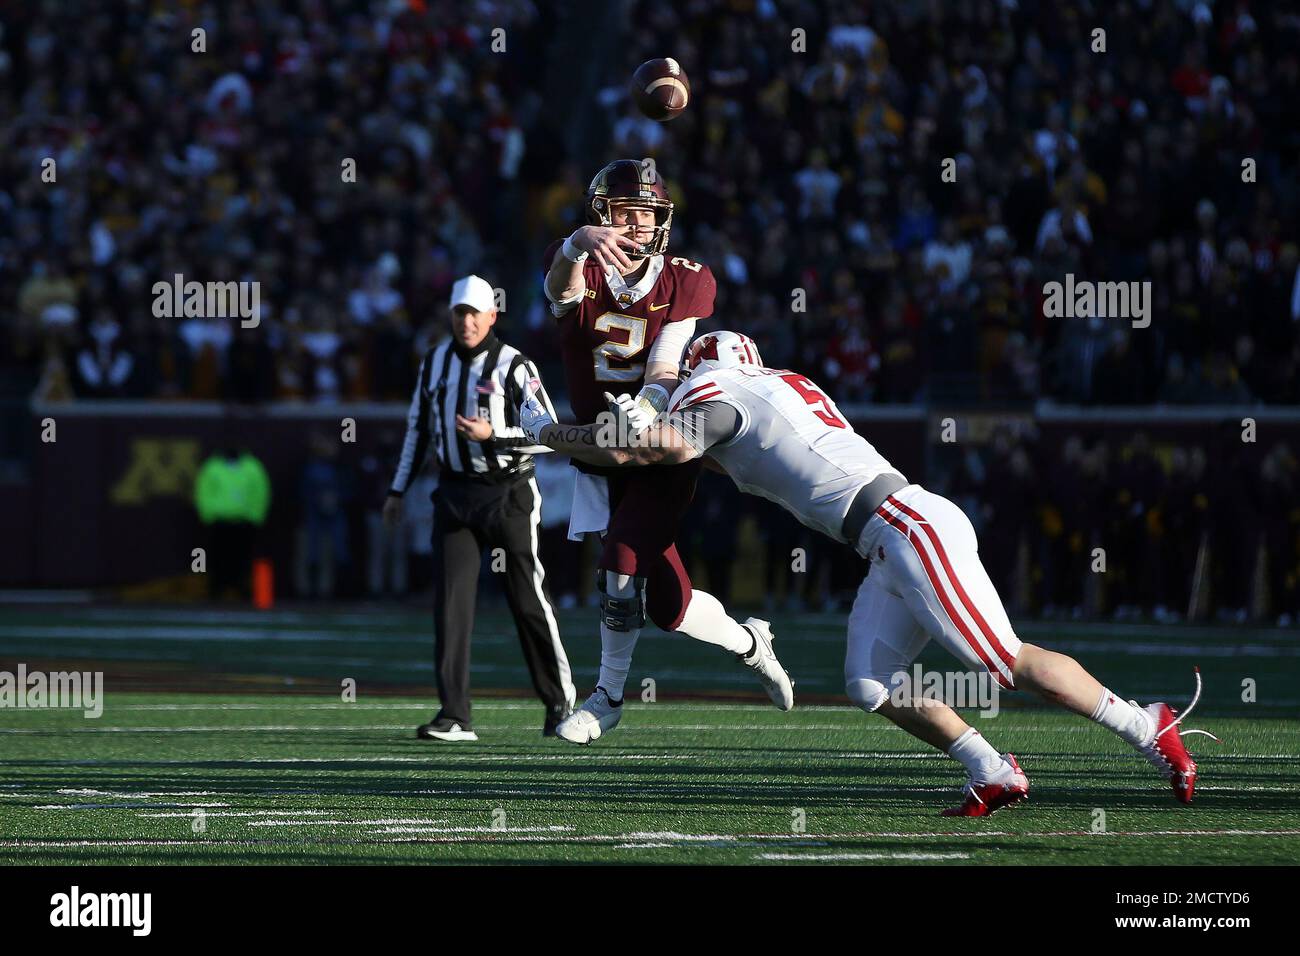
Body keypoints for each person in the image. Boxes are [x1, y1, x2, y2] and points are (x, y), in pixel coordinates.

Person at [521, 330, 1213, 814]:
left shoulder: (716, 387)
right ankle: (992, 770)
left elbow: (658, 448)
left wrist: (574, 431)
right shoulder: (776, 384)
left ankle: (1145, 725)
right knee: (869, 682)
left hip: (906, 529)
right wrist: (581, 434)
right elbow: (653, 450)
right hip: (888, 539)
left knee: (1005, 659)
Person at [540, 159, 792, 744]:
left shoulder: (687, 277)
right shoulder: (573, 258)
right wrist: (577, 245)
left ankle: (606, 697)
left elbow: (664, 364)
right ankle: (752, 642)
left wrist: (652, 404)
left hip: (660, 442)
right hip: (601, 444)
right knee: (670, 606)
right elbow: (559, 295)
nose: (637, 224)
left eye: (648, 213)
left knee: (622, 561)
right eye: (626, 212)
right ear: (601, 213)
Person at [385, 274, 575, 742]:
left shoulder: (515, 366)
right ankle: (454, 715)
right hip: (454, 495)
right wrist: (396, 490)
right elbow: (417, 430)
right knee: (450, 605)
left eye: (475, 312)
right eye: (459, 312)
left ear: (493, 315)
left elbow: (547, 435)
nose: (467, 321)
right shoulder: (434, 364)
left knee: (527, 600)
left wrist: (496, 437)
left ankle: (559, 702)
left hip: (508, 493)